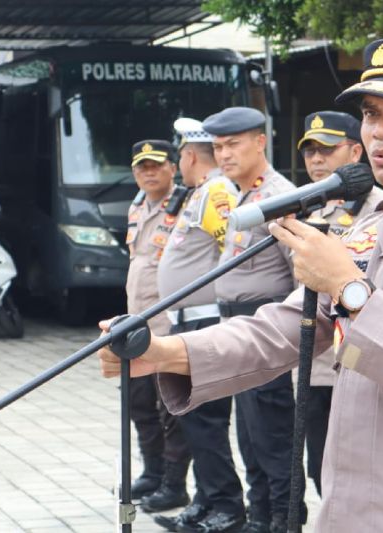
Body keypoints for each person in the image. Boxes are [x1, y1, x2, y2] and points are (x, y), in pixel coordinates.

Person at [100, 37, 383, 532]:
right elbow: (278, 330)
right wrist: (164, 352)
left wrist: (348, 287)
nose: (382, 130)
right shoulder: (368, 230)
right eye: (372, 112)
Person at [203, 107, 303, 533]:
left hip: (265, 332)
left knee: (274, 441)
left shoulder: (280, 197)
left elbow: (303, 273)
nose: (224, 155)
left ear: (260, 142)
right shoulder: (237, 195)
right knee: (249, 439)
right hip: (236, 332)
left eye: (233, 144)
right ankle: (260, 518)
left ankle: (285, 522)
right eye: (218, 147)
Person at [150, 120, 245, 533]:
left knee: (205, 422)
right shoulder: (201, 192)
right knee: (194, 420)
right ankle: (207, 501)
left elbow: (234, 250)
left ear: (188, 156)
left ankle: (225, 507)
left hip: (205, 323)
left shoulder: (218, 192)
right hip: (188, 323)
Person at [296, 110, 383, 496]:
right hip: (313, 364)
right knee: (320, 471)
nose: (316, 159)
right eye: (310, 151)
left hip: (359, 363)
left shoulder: (382, 209)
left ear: (355, 153)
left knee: (362, 477)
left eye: (327, 149)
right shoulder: (309, 208)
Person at [124, 140, 190, 510]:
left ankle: (174, 481)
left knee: (170, 409)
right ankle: (151, 472)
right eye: (141, 167)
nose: (148, 173)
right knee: (140, 405)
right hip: (136, 320)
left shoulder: (184, 205)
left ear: (172, 168)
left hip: (167, 324)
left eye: (155, 165)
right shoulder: (137, 206)